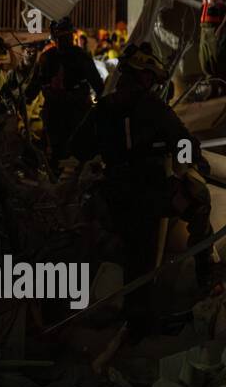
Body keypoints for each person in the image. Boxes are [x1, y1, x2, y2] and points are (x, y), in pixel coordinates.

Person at [69, 44, 213, 339]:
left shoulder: (103, 108)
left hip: (113, 193)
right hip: (149, 193)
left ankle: (131, 314)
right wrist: (194, 164)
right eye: (149, 76)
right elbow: (183, 142)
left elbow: (78, 147)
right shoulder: (153, 107)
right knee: (196, 205)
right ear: (142, 76)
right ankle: (205, 276)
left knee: (133, 255)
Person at [24, 17, 103, 169]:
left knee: (78, 151)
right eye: (60, 37)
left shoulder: (80, 57)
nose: (64, 40)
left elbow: (97, 84)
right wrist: (25, 98)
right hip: (55, 111)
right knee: (57, 151)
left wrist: (100, 102)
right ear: (55, 38)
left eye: (66, 36)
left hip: (77, 111)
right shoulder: (47, 58)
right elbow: (35, 84)